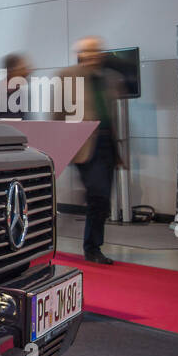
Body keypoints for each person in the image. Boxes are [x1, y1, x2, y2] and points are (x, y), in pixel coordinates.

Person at [53, 36, 124, 265]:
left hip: (106, 145)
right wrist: (60, 147)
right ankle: (91, 248)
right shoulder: (67, 76)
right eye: (89, 52)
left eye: (97, 52)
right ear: (81, 54)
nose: (94, 56)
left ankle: (94, 247)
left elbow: (112, 116)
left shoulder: (110, 79)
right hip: (84, 145)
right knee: (98, 193)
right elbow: (58, 115)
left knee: (102, 200)